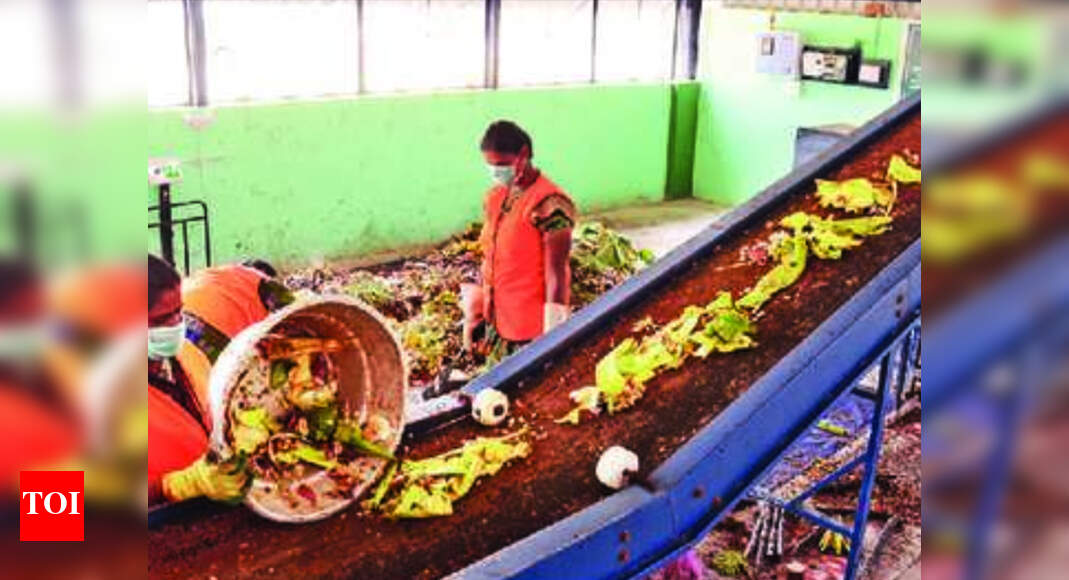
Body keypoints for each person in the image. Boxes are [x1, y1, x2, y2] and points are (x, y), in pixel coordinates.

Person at [462, 120, 576, 359]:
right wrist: (476, 308)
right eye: (490, 165)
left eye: (502, 164)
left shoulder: (550, 205)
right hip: (497, 320)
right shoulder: (496, 197)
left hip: (529, 331)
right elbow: (491, 255)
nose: (496, 171)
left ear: (523, 154)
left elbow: (557, 271)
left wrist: (554, 333)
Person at [147, 254, 245, 505]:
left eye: (178, 312)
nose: (176, 325)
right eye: (159, 320)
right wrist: (172, 486)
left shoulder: (185, 356)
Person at [181, 259, 293, 363]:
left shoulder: (213, 274)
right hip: (206, 333)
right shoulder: (260, 280)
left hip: (173, 319)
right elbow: (294, 311)